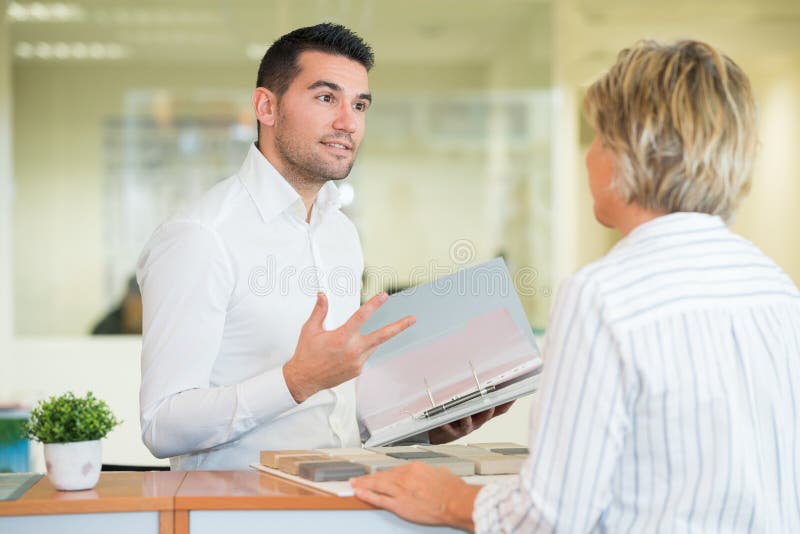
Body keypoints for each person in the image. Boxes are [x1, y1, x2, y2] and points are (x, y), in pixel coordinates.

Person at [351, 39, 800, 533]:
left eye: (600, 136)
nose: (590, 157)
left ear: (631, 150)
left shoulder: (603, 297)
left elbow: (549, 516)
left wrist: (448, 498)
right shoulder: (777, 290)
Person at [137, 23, 506, 471]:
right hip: (243, 505)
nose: (348, 122)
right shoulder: (200, 236)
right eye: (326, 98)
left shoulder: (339, 232)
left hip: (343, 496)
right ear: (266, 106)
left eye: (360, 104)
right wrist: (295, 381)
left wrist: (425, 428)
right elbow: (162, 425)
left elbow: (332, 412)